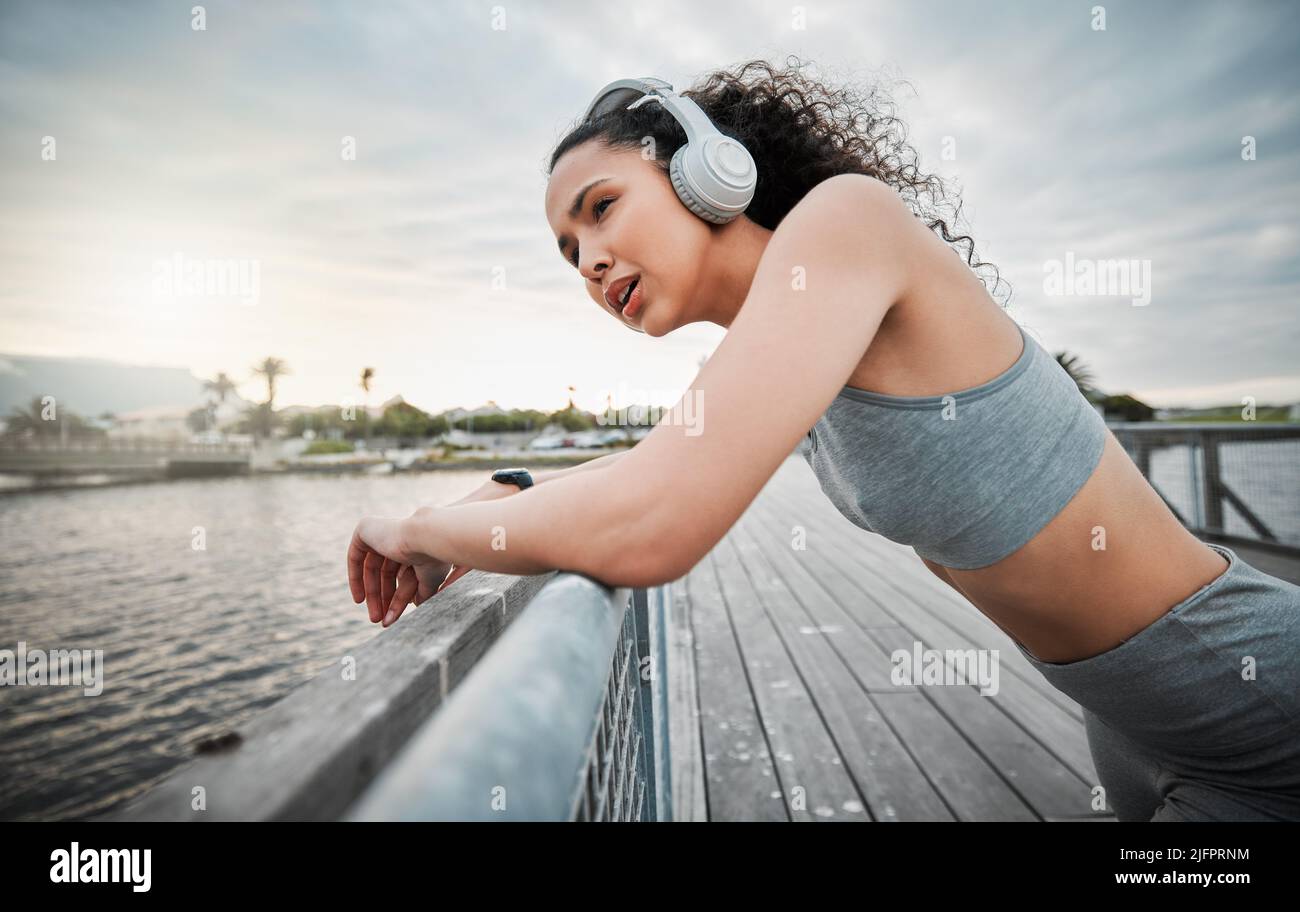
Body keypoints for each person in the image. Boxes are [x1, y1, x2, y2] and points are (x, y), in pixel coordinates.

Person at [348, 57, 1300, 821]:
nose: (591, 262)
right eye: (567, 253)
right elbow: (656, 465)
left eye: (601, 208)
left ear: (703, 166)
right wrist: (503, 489)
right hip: (1128, 728)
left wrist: (417, 528)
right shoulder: (796, 335)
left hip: (1252, 716)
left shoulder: (846, 222)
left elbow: (652, 522)